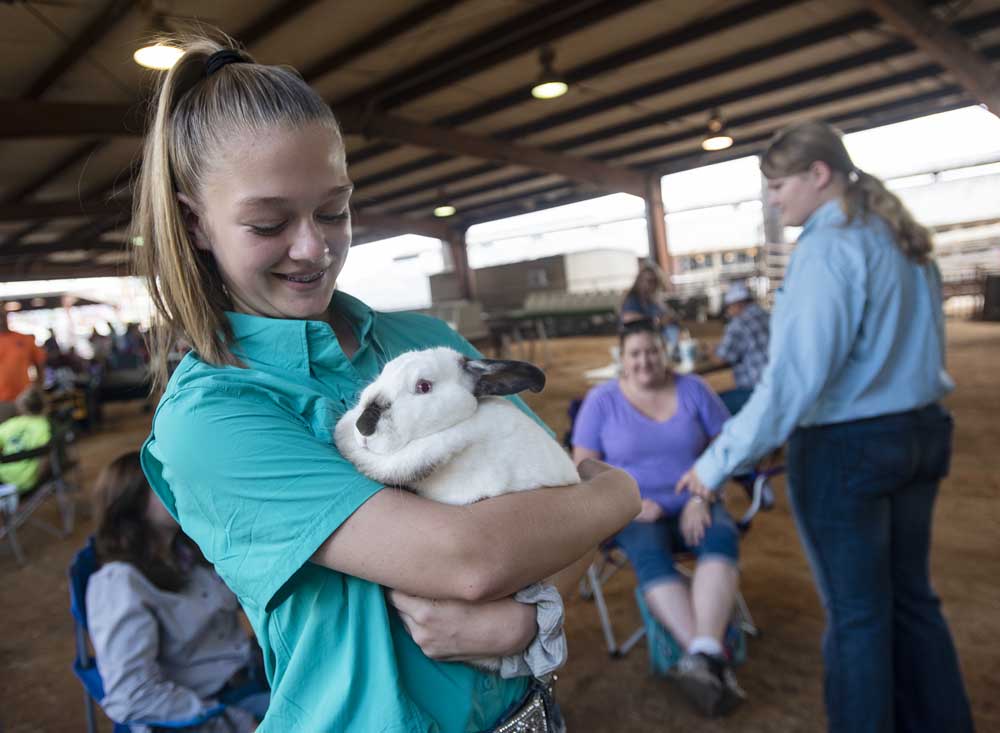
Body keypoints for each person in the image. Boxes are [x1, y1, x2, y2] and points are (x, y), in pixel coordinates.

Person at [133, 35, 640, 733]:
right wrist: (618, 493)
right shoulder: (214, 415)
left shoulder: (424, 345)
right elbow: (470, 559)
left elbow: (552, 496)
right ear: (196, 222)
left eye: (334, 210)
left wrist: (526, 617)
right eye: (269, 222)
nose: (313, 248)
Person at [678, 120, 973, 733]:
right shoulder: (897, 236)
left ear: (819, 174)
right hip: (918, 433)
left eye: (778, 184)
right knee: (913, 601)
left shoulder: (828, 247)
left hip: (850, 448)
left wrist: (713, 465)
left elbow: (792, 384)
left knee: (859, 615)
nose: (772, 198)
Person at [571, 318, 745, 717]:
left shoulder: (694, 389)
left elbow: (727, 444)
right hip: (635, 510)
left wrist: (704, 493)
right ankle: (712, 656)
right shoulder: (601, 401)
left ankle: (701, 658)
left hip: (695, 500)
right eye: (635, 353)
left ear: (664, 352)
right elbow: (582, 465)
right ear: (622, 359)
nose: (645, 360)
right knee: (649, 552)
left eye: (652, 351)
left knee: (720, 535)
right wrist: (626, 499)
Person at [87, 452, 268, 732]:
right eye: (162, 483)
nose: (179, 486)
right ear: (132, 503)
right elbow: (132, 696)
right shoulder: (119, 583)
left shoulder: (188, 551)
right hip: (210, 712)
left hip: (249, 681)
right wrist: (225, 718)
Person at [714, 282, 770, 415]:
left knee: (713, 404)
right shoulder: (767, 315)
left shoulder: (738, 323)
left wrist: (710, 350)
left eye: (729, 308)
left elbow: (720, 359)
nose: (729, 312)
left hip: (757, 390)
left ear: (737, 304)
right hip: (778, 384)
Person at [0, 387, 51, 492]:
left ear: (21, 407)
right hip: (29, 480)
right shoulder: (43, 425)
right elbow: (44, 456)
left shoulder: (10, 424)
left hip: (5, 478)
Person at [620, 262, 682, 348]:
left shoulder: (653, 300)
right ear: (639, 281)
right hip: (639, 341)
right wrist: (658, 321)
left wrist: (668, 316)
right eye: (646, 280)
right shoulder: (632, 299)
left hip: (657, 340)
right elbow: (628, 318)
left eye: (653, 281)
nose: (649, 285)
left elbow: (669, 315)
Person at [0, 310, 46, 423]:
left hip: (24, 398)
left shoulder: (24, 339)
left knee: (28, 434)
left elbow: (39, 363)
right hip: (1, 401)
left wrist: (37, 388)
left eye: (2, 316)